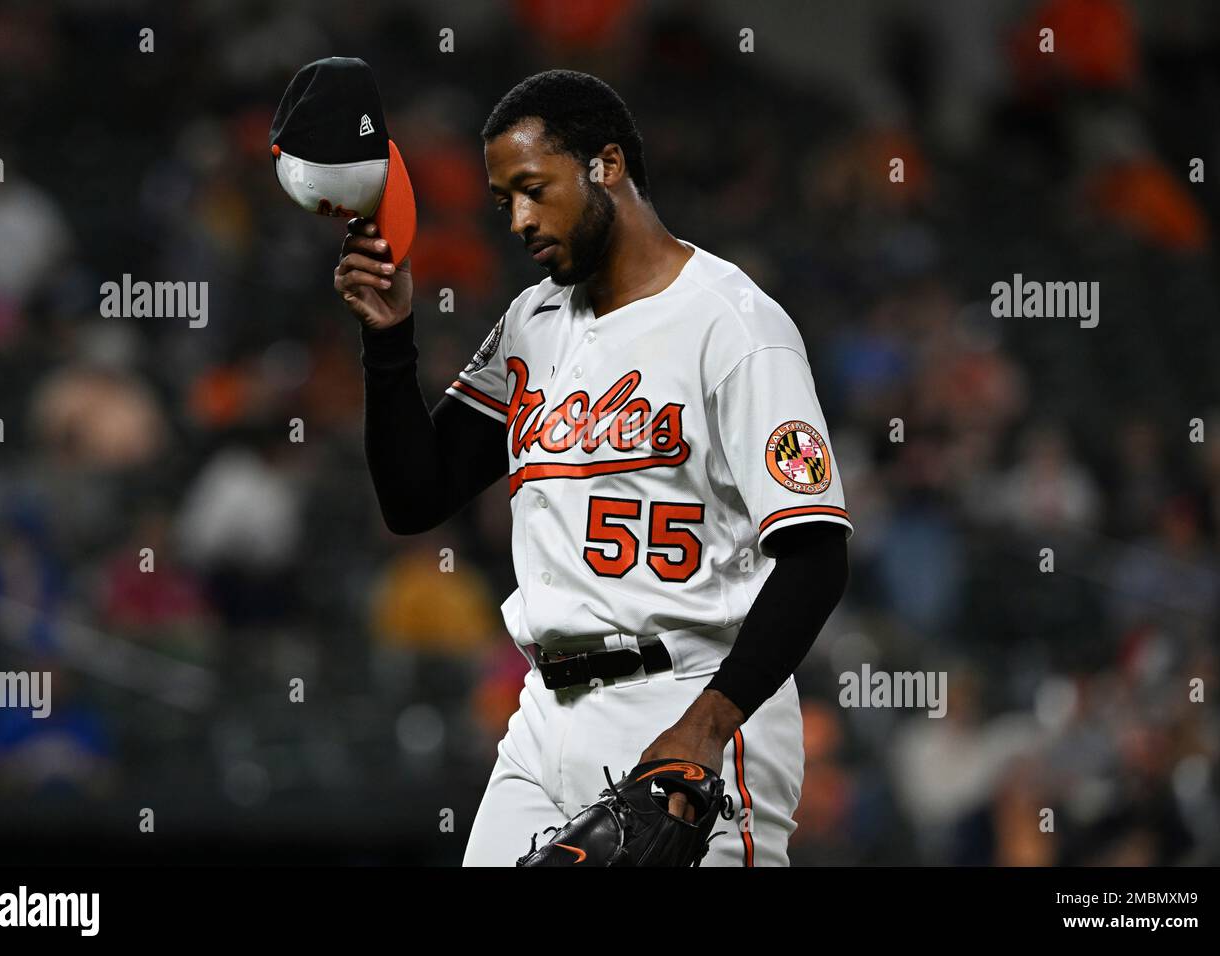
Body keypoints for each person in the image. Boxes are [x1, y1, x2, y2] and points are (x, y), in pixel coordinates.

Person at [334, 70, 850, 866]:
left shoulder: (735, 324)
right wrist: (389, 339)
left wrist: (708, 724)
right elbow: (416, 496)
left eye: (533, 188)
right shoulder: (533, 320)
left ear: (605, 164)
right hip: (545, 712)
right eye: (505, 198)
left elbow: (817, 556)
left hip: (691, 694)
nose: (518, 218)